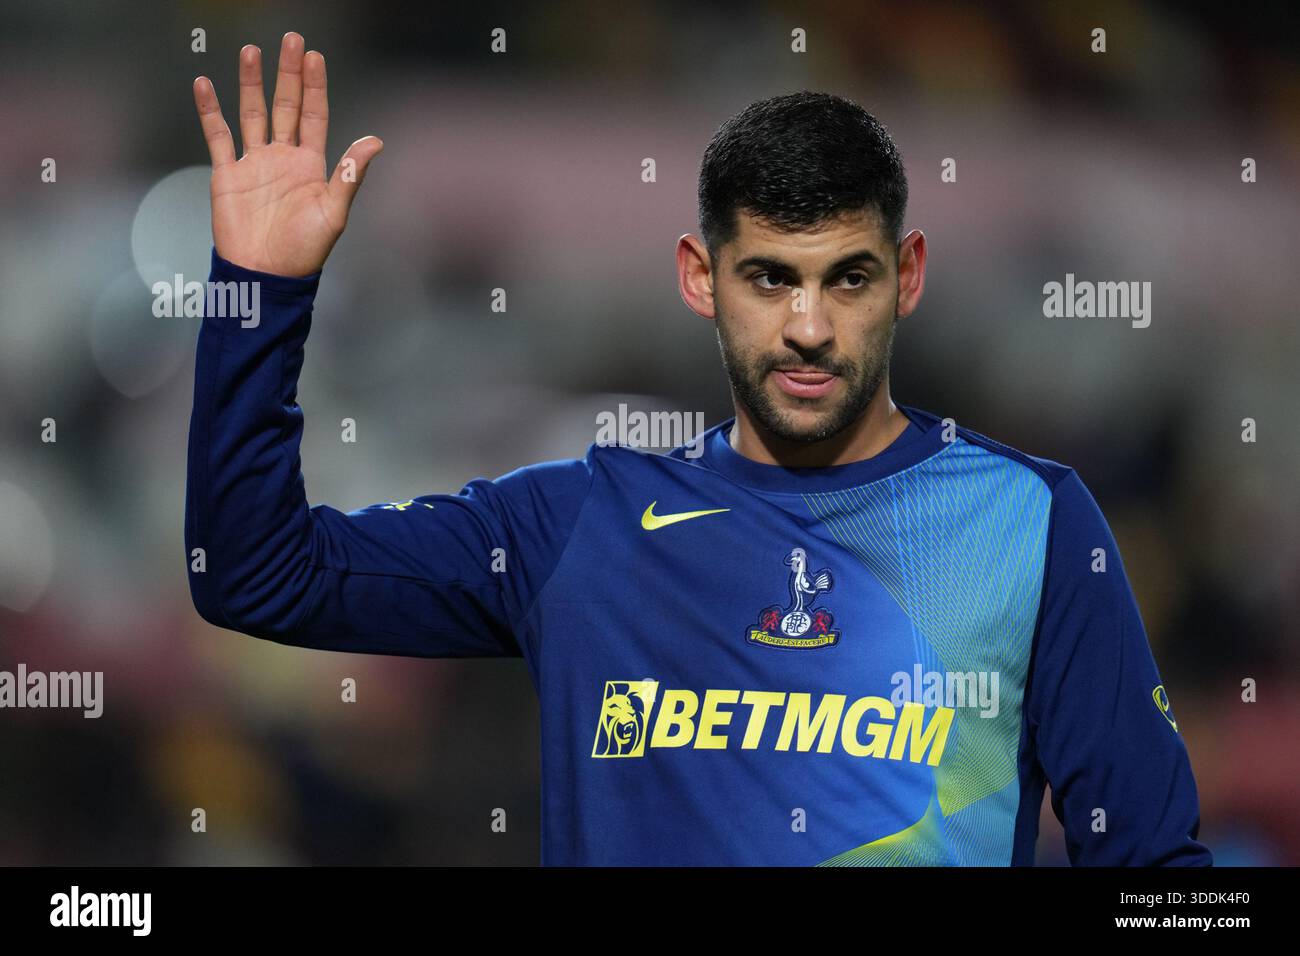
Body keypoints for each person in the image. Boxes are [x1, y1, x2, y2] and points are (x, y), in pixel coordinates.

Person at [187, 32, 1212, 866]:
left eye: (845, 278)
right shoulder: (579, 523)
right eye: (768, 277)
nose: (808, 326)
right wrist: (258, 294)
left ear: (906, 276)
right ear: (697, 276)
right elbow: (256, 575)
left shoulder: (1030, 521)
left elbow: (1155, 872)